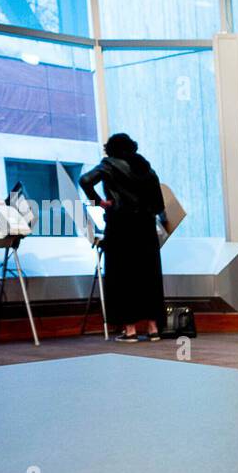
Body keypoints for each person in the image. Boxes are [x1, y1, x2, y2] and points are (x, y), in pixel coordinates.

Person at [80, 133, 167, 342]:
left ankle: (130, 330)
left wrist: (99, 202)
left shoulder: (108, 165)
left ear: (110, 149)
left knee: (123, 276)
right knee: (149, 276)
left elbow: (84, 180)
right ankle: (153, 328)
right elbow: (159, 204)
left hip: (120, 227)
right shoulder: (146, 167)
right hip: (145, 228)